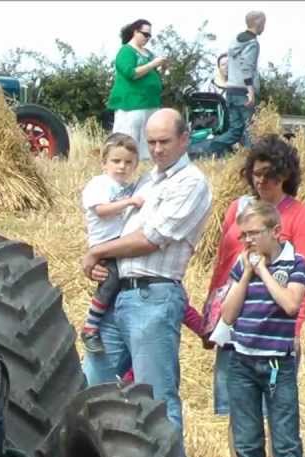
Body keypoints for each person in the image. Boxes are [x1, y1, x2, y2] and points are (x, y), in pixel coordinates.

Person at [80, 109, 212, 435]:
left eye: (164, 141)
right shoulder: (148, 180)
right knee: (91, 391)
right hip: (121, 294)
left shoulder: (191, 182)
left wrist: (97, 252)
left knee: (156, 401)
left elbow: (151, 239)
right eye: (151, 142)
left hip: (153, 296)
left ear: (184, 139)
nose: (156, 149)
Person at [202, 134, 305, 457]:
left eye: (268, 174)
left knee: (274, 410)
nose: (260, 181)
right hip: (235, 323)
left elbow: (304, 274)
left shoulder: (299, 216)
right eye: (255, 173)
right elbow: (224, 265)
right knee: (236, 407)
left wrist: (295, 328)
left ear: (284, 175)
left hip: (273, 330)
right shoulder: (236, 211)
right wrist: (213, 311)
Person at [218, 200, 305, 457]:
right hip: (242, 361)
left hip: (276, 363)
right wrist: (245, 275)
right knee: (247, 440)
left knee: (285, 441)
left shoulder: (296, 264)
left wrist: (263, 272)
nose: (248, 241)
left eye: (254, 234)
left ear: (275, 231)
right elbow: (228, 315)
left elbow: (290, 304)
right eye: (243, 235)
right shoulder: (241, 264)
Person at [79, 133, 145, 353]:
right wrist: (128, 203)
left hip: (121, 242)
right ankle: (90, 326)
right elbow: (101, 210)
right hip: (104, 243)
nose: (122, 167)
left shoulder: (128, 186)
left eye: (128, 162)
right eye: (116, 161)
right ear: (104, 163)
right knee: (110, 281)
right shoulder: (100, 184)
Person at [192, 11, 266, 159]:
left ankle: (200, 149)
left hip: (231, 91)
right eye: (264, 23)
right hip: (243, 92)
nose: (264, 26)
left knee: (234, 132)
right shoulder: (252, 43)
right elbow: (247, 67)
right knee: (250, 131)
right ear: (258, 23)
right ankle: (253, 162)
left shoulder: (235, 40)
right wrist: (250, 91)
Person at [106, 19, 168, 162]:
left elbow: (153, 74)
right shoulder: (126, 51)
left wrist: (162, 67)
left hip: (150, 101)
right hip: (132, 102)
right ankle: (125, 160)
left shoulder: (148, 53)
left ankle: (146, 161)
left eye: (149, 36)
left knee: (149, 135)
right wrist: (153, 64)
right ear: (135, 32)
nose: (147, 38)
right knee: (130, 135)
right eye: (145, 34)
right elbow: (131, 73)